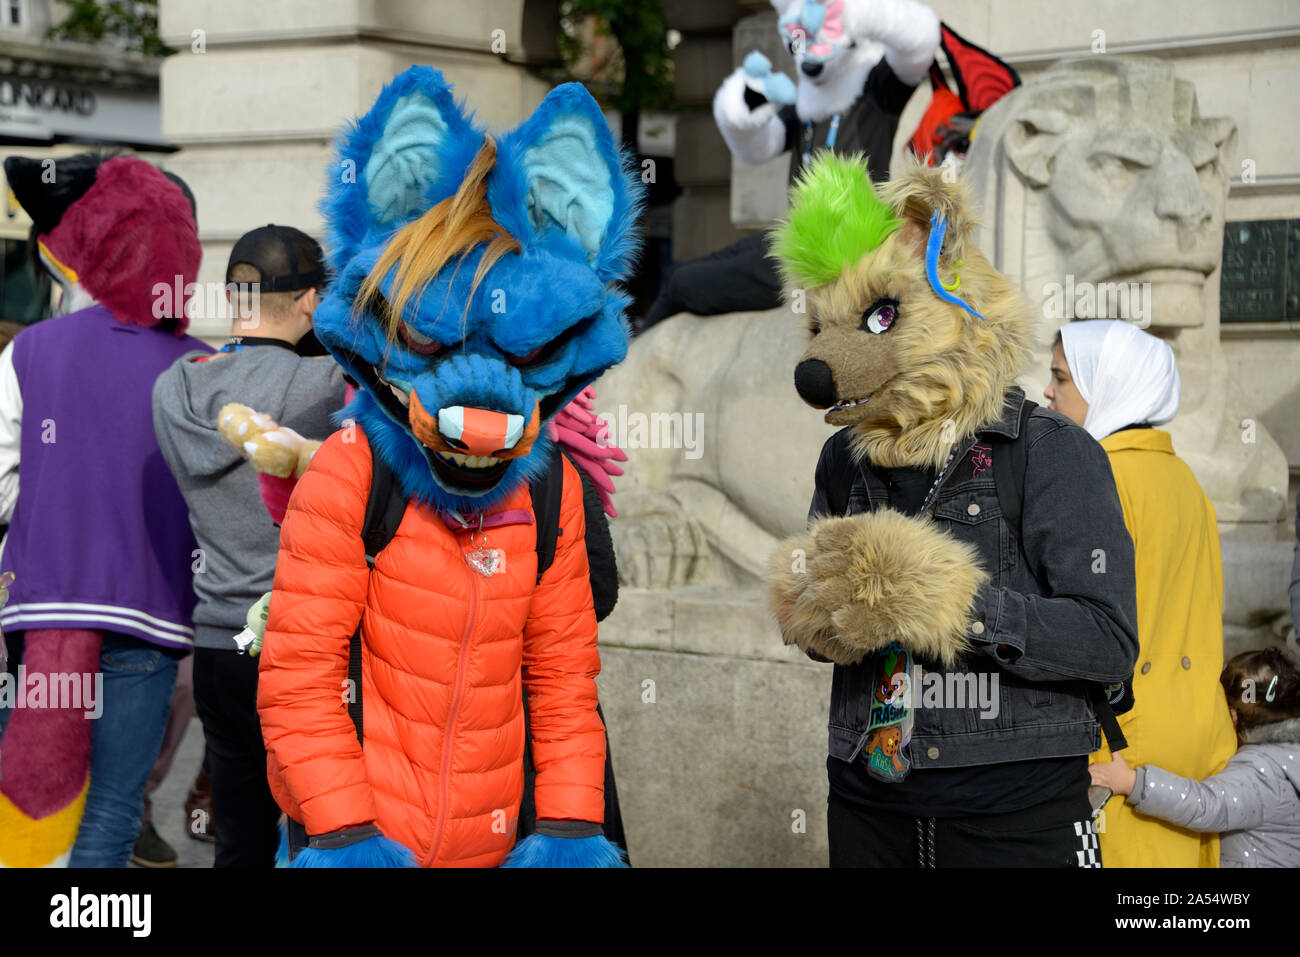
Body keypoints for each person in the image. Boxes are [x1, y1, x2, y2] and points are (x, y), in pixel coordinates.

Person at [766, 154, 1139, 868]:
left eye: (880, 316)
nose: (825, 358)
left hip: (1016, 815)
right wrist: (813, 604)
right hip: (869, 805)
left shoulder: (1049, 451)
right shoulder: (845, 457)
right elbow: (823, 642)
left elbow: (1108, 640)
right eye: (822, 325)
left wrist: (950, 602)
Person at [0, 154, 207, 868]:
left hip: (43, 608)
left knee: (36, 804)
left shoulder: (31, 350)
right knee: (116, 809)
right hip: (146, 615)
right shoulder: (199, 366)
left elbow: (1, 477)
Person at [151, 225, 346, 867]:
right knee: (321, 832)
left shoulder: (175, 387)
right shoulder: (325, 385)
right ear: (314, 300)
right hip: (299, 641)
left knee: (238, 835)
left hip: (216, 641)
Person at [1047, 319, 1238, 867]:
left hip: (1120, 745)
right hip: (1197, 736)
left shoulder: (1098, 476)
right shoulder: (1187, 482)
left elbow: (1077, 623)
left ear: (1108, 385)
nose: (1047, 392)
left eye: (1061, 377)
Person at [1091, 647, 1300, 867]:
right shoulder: (1288, 757)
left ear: (1232, 716)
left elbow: (1208, 806)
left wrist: (1133, 782)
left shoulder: (1262, 772)